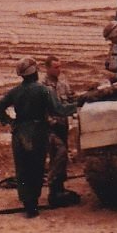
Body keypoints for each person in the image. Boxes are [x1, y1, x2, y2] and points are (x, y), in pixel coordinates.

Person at [0, 57, 77, 217]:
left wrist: (10, 122)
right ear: (35, 72)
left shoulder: (15, 91)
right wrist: (78, 105)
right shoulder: (44, 90)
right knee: (36, 168)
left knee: (23, 169)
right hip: (38, 131)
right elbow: (59, 110)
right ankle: (33, 205)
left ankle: (28, 203)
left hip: (19, 133)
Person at [41, 56, 77, 207]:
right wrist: (50, 121)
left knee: (62, 157)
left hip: (63, 124)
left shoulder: (63, 83)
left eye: (59, 67)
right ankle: (54, 189)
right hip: (50, 126)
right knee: (58, 155)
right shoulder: (42, 86)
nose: (58, 70)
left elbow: (70, 98)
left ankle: (60, 187)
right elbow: (42, 108)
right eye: (55, 67)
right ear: (48, 68)